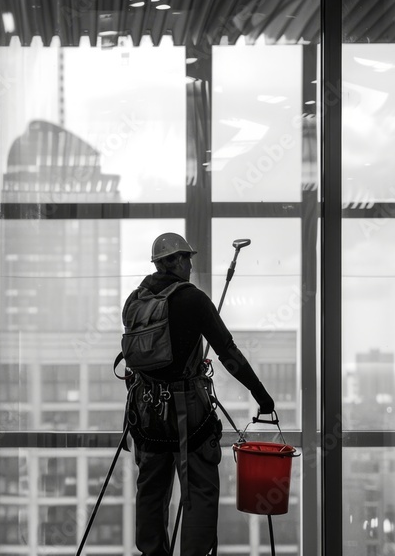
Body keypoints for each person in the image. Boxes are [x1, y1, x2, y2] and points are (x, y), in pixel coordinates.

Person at [128, 232, 275, 556]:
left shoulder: (135, 301)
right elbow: (228, 352)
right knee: (199, 491)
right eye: (187, 259)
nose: (191, 266)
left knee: (151, 491)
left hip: (148, 412)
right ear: (176, 261)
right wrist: (261, 395)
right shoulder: (192, 299)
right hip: (188, 412)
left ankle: (153, 552)